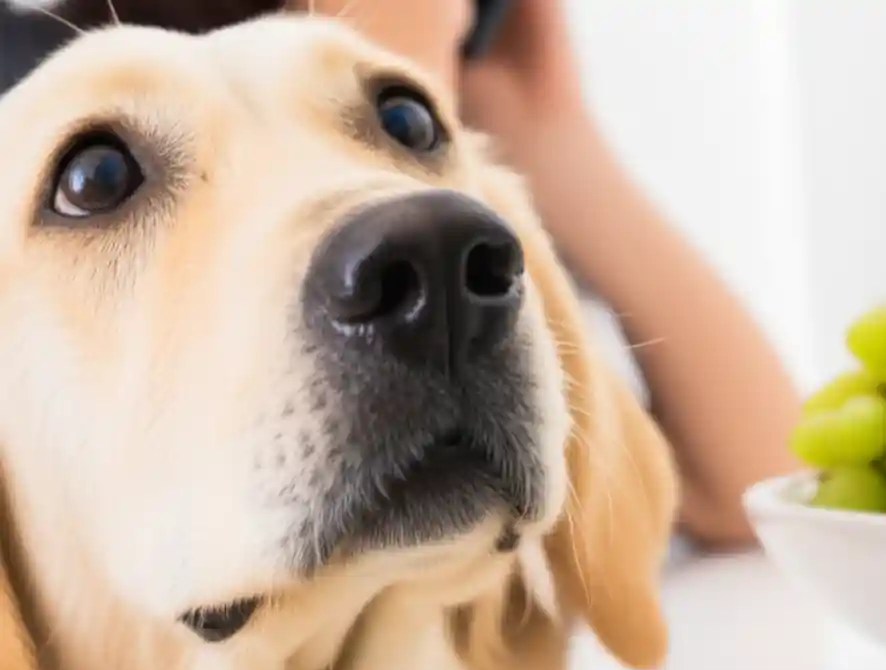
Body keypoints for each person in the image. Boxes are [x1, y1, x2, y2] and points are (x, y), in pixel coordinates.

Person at [1, 0, 802, 548]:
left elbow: (761, 490)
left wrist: (542, 125)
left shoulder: (449, 101)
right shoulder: (40, 103)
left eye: (403, 123)